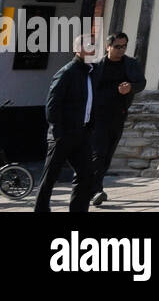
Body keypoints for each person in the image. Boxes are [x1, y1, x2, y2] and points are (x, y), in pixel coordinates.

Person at [34, 33, 98, 212]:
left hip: (82, 133)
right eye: (88, 45)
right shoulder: (67, 72)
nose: (93, 48)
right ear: (78, 49)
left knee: (86, 174)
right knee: (50, 178)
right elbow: (52, 105)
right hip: (62, 135)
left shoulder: (92, 72)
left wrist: (90, 127)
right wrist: (57, 132)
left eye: (94, 45)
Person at [89, 31, 147, 206]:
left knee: (107, 154)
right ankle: (95, 189)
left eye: (124, 46)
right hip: (98, 116)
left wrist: (130, 88)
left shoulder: (131, 64)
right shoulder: (97, 66)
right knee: (98, 153)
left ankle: (95, 186)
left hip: (118, 114)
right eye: (117, 47)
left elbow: (141, 83)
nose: (121, 50)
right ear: (108, 47)